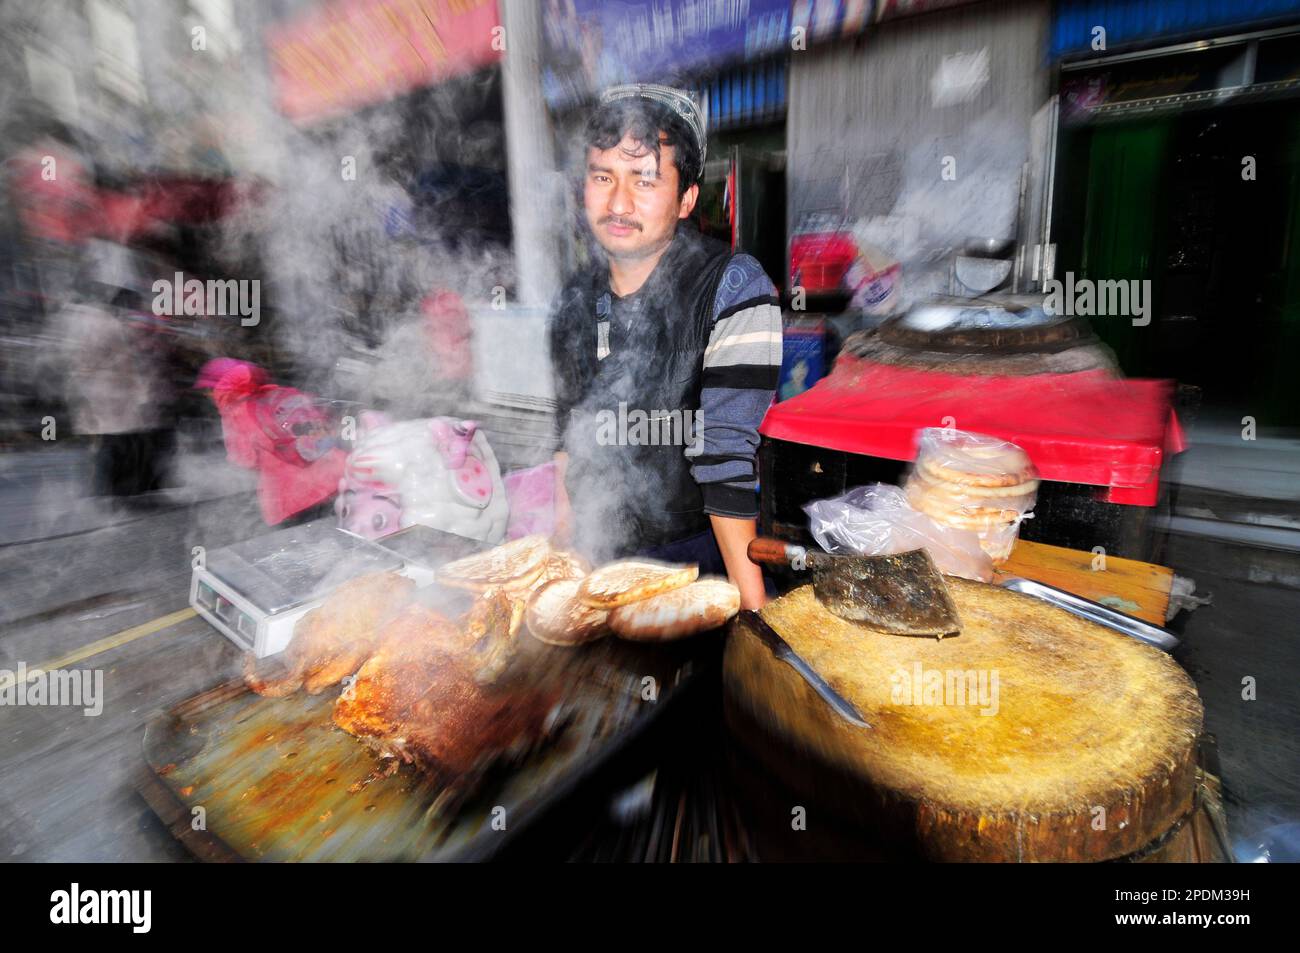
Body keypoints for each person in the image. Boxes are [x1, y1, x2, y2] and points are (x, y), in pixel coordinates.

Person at [549, 84, 782, 610]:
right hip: (597, 555)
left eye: (644, 179)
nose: (618, 202)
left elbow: (726, 458)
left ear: (686, 199)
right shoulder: (572, 299)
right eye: (602, 176)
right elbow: (567, 440)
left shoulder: (734, 288)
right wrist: (562, 561)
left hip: (697, 565)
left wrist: (753, 614)